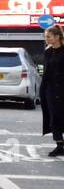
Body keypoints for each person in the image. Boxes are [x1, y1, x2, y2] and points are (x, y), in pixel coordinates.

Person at [41, 25, 64, 157]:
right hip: (50, 89)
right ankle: (59, 145)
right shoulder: (48, 51)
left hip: (62, 89)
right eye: (45, 37)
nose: (46, 39)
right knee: (54, 117)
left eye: (48, 37)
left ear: (57, 37)